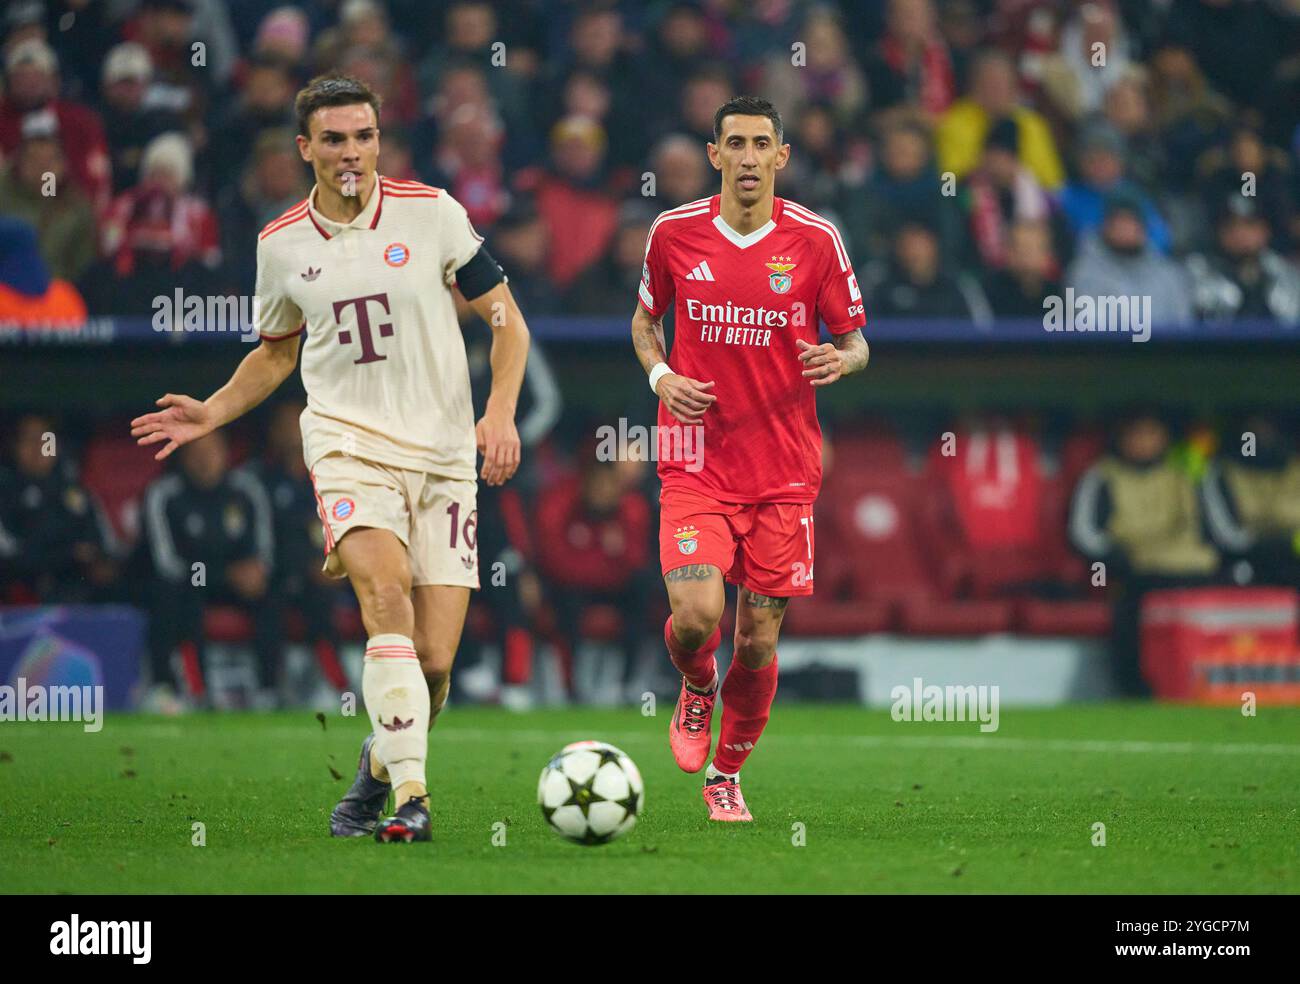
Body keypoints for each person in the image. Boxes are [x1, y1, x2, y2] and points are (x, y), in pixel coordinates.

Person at [130, 75, 530, 844]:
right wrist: (213, 409)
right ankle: (412, 797)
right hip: (348, 446)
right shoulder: (280, 245)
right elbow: (277, 353)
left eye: (365, 136)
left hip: (445, 455)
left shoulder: (433, 213)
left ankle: (375, 768)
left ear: (381, 140)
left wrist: (500, 410)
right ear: (304, 147)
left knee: (434, 662)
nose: (353, 152)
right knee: (384, 593)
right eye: (336, 138)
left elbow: (506, 321)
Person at [631, 96, 869, 821]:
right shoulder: (673, 233)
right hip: (693, 450)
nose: (746, 156)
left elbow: (859, 340)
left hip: (783, 466)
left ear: (780, 157)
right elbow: (645, 323)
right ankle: (697, 682)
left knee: (759, 639)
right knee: (699, 616)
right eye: (732, 143)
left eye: (760, 143)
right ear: (714, 155)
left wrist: (843, 360)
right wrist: (661, 376)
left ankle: (726, 775)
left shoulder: (817, 240)